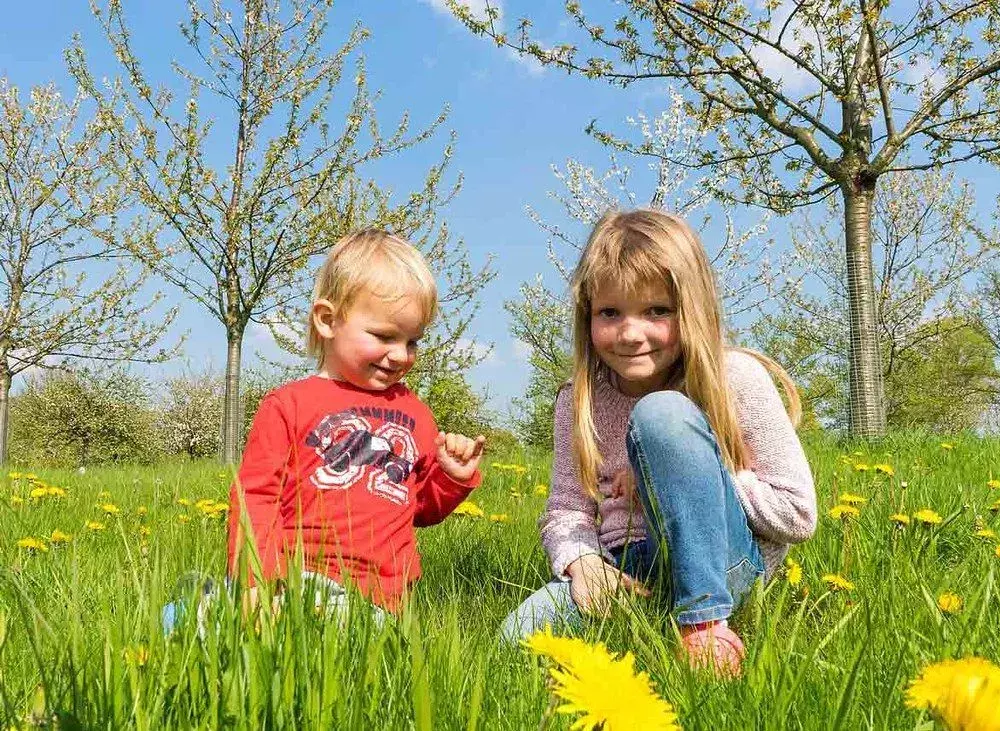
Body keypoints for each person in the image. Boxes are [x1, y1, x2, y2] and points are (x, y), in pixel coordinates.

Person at [501, 210, 816, 677]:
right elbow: (566, 510)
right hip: (628, 567)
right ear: (587, 315)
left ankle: (704, 624)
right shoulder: (577, 400)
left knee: (662, 415)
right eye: (610, 312)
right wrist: (584, 562)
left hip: (726, 564)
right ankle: (652, 614)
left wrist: (693, 470)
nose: (631, 334)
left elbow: (798, 514)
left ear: (692, 310)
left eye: (657, 311)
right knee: (517, 638)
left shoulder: (738, 379)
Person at [214, 229, 485, 624]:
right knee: (205, 615)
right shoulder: (288, 406)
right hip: (292, 580)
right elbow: (256, 498)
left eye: (412, 342)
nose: (400, 355)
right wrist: (257, 581)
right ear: (327, 320)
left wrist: (451, 478)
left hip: (378, 600)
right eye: (384, 336)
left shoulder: (415, 414)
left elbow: (420, 507)